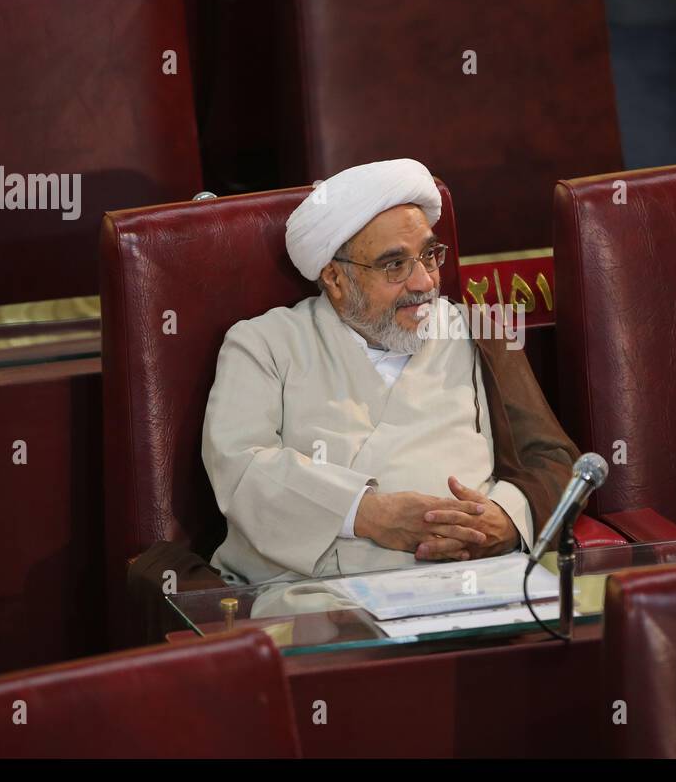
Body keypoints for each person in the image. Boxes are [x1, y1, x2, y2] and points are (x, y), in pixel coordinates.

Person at [201, 158, 577, 593]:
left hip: (477, 580)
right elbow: (240, 466)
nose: (424, 283)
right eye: (394, 265)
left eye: (430, 255)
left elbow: (554, 459)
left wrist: (507, 520)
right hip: (316, 594)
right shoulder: (262, 344)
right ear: (334, 278)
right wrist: (364, 515)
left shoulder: (477, 330)